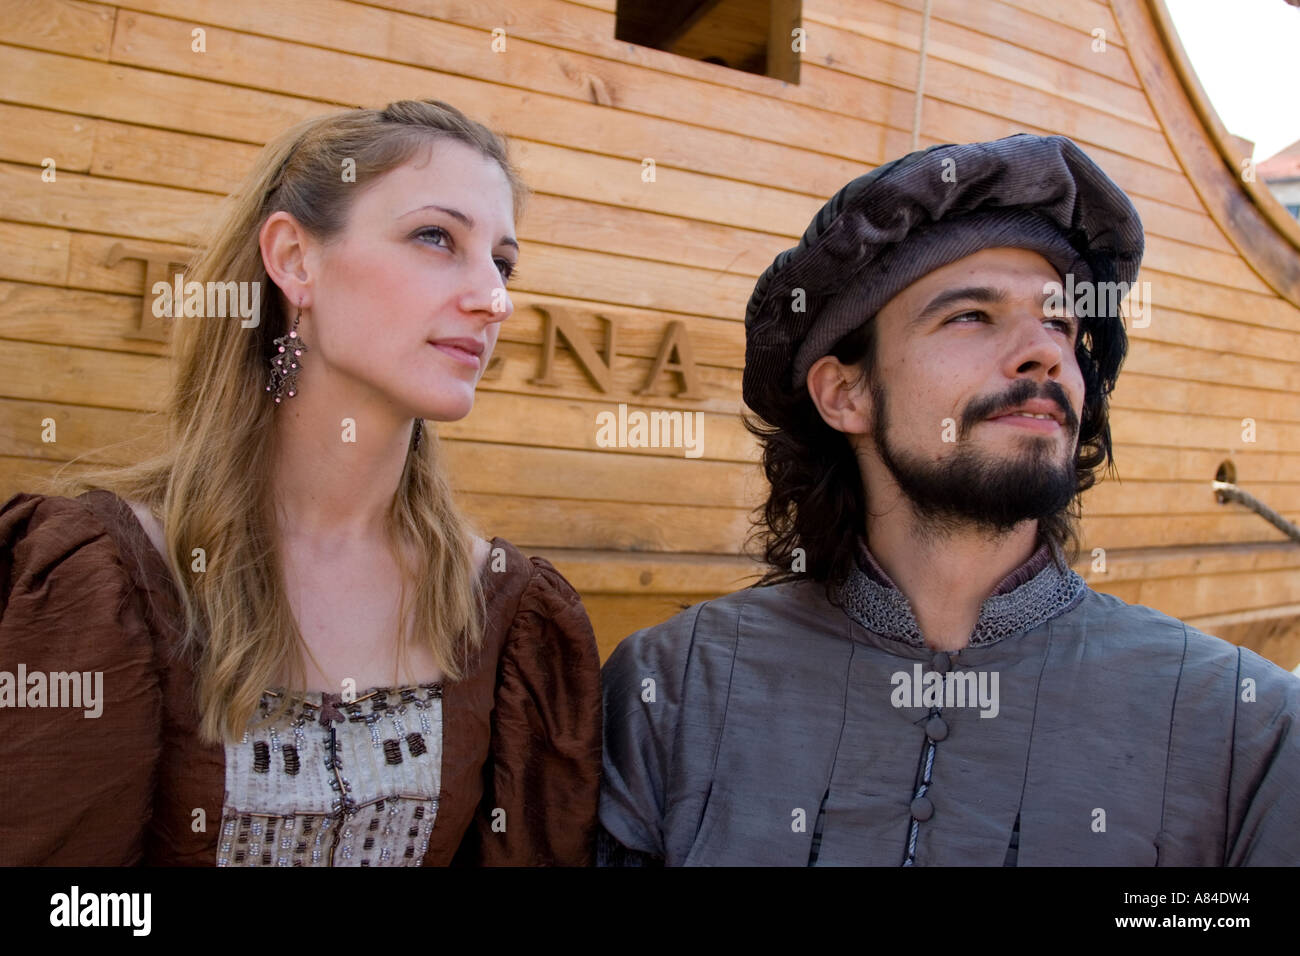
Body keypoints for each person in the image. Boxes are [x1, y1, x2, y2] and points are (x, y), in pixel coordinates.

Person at [597, 133, 1300, 866]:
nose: (1047, 352)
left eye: (1060, 322)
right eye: (970, 315)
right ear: (846, 393)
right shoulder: (673, 690)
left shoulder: (1248, 729)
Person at [0, 99, 602, 866]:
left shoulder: (502, 609)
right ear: (293, 259)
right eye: (434, 237)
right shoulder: (109, 575)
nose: (495, 299)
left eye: (502, 262)